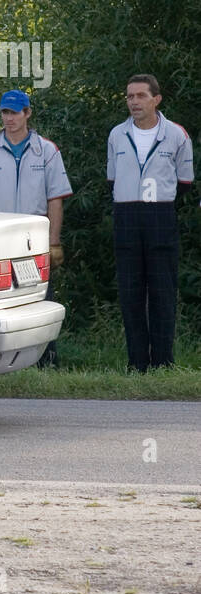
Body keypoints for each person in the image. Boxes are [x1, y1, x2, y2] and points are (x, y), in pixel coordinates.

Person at [0, 89, 72, 366]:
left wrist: (54, 242)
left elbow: (55, 199)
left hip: (34, 239)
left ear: (27, 113)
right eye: (5, 113)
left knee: (39, 300)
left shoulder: (46, 150)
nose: (8, 119)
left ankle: (46, 360)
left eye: (14, 113)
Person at [107, 74, 194, 371]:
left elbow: (184, 181)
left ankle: (163, 363)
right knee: (130, 292)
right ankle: (137, 364)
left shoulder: (176, 134)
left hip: (161, 216)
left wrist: (159, 202)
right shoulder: (117, 134)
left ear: (156, 99)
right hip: (126, 216)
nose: (134, 102)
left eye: (140, 96)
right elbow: (113, 179)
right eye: (130, 96)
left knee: (162, 292)